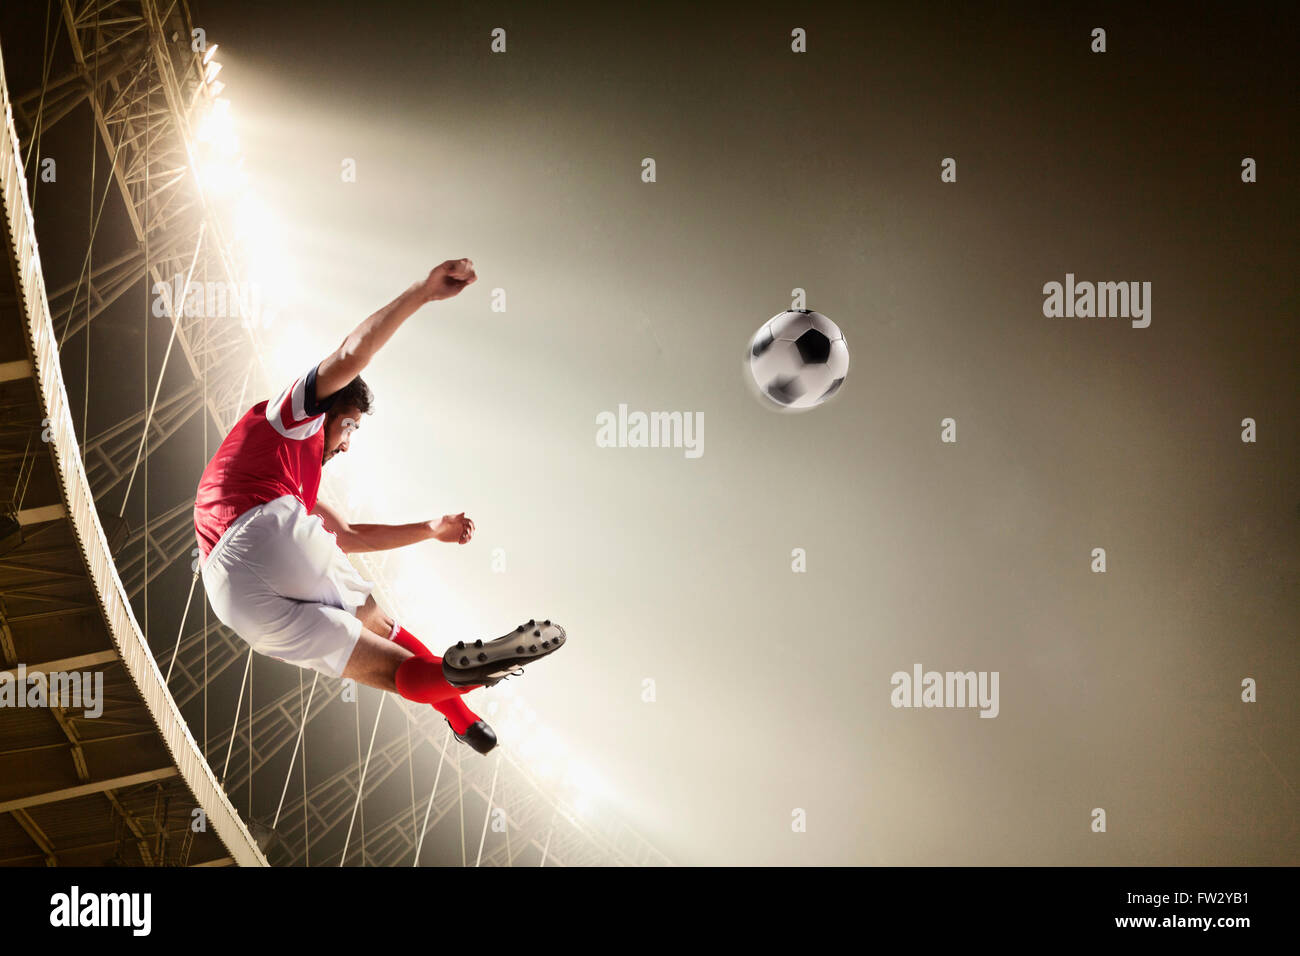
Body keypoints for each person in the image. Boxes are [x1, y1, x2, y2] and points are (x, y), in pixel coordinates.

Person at [193, 259, 564, 755]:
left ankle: (462, 699)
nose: (347, 444)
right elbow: (351, 354)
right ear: (327, 411)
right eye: (349, 427)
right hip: (262, 530)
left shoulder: (289, 478)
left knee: (398, 674)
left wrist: (432, 528)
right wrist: (422, 292)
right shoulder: (287, 417)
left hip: (230, 598)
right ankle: (462, 698)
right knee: (383, 625)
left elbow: (349, 536)